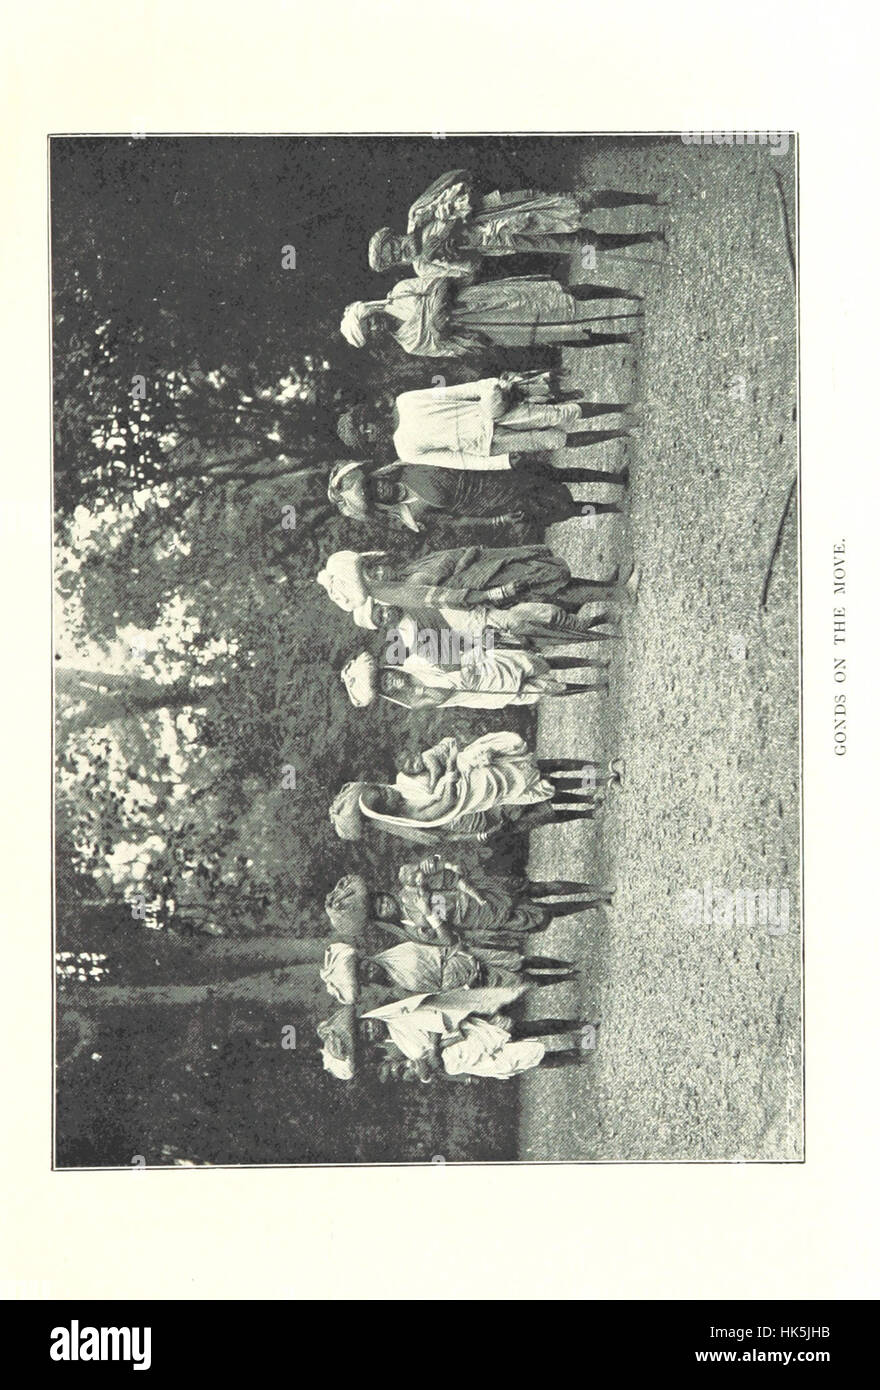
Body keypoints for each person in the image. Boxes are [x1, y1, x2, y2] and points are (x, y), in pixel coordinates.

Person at [368, 168, 664, 278]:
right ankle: (648, 237)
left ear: (392, 235)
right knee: (581, 244)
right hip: (507, 240)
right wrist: (454, 255)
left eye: (392, 247)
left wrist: (451, 218)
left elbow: (460, 183)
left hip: (504, 208)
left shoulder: (417, 215)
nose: (399, 254)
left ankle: (647, 198)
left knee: (575, 202)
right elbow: (471, 268)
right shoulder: (424, 267)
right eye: (393, 259)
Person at [327, 731, 605, 846]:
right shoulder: (410, 817)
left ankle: (599, 774)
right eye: (383, 800)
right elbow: (445, 805)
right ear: (381, 814)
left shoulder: (404, 782)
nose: (388, 793)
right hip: (483, 811)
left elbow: (439, 752)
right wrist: (449, 774)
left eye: (381, 789)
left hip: (480, 778)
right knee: (545, 804)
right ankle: (589, 806)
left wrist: (444, 763)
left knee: (545, 769)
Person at [337, 371, 633, 473]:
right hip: (489, 445)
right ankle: (620, 432)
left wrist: (492, 387)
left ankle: (624, 409)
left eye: (365, 423)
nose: (370, 430)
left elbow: (456, 392)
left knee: (560, 413)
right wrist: (500, 462)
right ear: (371, 442)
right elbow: (458, 461)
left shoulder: (406, 400)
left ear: (369, 415)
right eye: (366, 435)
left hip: (492, 412)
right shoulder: (406, 450)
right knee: (556, 439)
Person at [340, 273, 643, 357]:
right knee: (557, 335)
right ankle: (622, 336)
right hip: (484, 331)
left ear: (369, 313)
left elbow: (441, 281)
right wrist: (469, 340)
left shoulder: (402, 292)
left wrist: (436, 315)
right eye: (371, 333)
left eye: (371, 322)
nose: (377, 326)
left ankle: (625, 295)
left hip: (481, 302)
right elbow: (452, 350)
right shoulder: (410, 344)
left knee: (554, 294)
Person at [322, 865, 613, 950]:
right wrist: (434, 920)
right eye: (379, 910)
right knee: (539, 914)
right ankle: (593, 904)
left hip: (478, 893)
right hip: (478, 920)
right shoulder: (412, 930)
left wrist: (467, 888)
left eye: (381, 899)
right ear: (379, 918)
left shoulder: (410, 888)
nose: (385, 905)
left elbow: (448, 876)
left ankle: (594, 888)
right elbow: (448, 941)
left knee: (536, 888)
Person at [315, 544, 622, 619]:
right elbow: (451, 598)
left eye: (374, 566)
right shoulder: (405, 593)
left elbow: (443, 561)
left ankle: (604, 586)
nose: (379, 570)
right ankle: (617, 594)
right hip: (483, 584)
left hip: (481, 563)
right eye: (373, 575)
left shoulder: (404, 570)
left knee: (540, 567)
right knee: (542, 581)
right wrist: (495, 593)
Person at [340, 647, 609, 711]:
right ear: (388, 694)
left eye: (387, 677)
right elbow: (443, 695)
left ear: (389, 669)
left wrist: (462, 664)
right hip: (484, 693)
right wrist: (419, 691)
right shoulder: (414, 701)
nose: (392, 682)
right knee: (543, 690)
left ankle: (594, 662)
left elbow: (450, 653)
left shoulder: (414, 660)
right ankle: (593, 687)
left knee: (539, 663)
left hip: (483, 667)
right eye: (386, 687)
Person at [319, 937, 576, 1001]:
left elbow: (433, 944)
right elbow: (435, 998)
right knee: (519, 983)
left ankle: (566, 966)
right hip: (462, 984)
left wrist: (460, 952)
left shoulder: (396, 952)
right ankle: (565, 978)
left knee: (518, 960)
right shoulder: (397, 991)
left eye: (364, 966)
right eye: (364, 976)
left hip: (460, 957)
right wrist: (466, 988)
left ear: (366, 958)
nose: (370, 971)